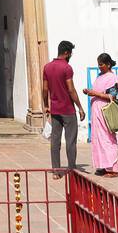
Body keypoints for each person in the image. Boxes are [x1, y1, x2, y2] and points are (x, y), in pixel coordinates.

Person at [42, 39, 85, 179]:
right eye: (70, 53)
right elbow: (71, 89)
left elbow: (44, 89)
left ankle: (56, 170)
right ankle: (71, 170)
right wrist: (80, 107)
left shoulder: (47, 67)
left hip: (54, 110)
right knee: (70, 141)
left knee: (55, 141)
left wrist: (46, 105)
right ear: (66, 53)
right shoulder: (66, 68)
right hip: (67, 109)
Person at [82, 54, 118, 177]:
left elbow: (112, 96)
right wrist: (90, 92)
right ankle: (102, 165)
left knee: (108, 139)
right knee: (98, 139)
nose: (99, 67)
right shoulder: (99, 77)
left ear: (108, 64)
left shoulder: (111, 78)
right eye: (98, 64)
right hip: (96, 112)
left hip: (105, 111)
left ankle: (113, 168)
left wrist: (94, 93)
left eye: (101, 64)